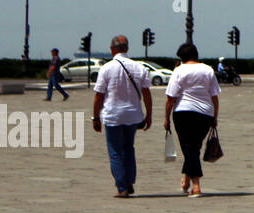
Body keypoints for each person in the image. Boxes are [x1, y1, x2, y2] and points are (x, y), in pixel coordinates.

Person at [91, 35, 153, 198]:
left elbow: (99, 95)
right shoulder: (139, 67)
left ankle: (121, 186)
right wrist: (149, 115)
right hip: (133, 115)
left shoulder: (106, 68)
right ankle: (130, 181)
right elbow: (147, 94)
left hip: (113, 115)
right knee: (129, 149)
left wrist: (95, 117)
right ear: (127, 48)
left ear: (112, 49)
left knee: (115, 151)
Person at [164, 43, 220, 197]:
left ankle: (196, 185)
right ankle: (186, 179)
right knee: (193, 147)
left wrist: (166, 117)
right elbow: (214, 96)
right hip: (204, 113)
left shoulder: (178, 71)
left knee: (189, 148)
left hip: (183, 112)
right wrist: (215, 116)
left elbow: (170, 98)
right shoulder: (208, 70)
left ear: (181, 57)